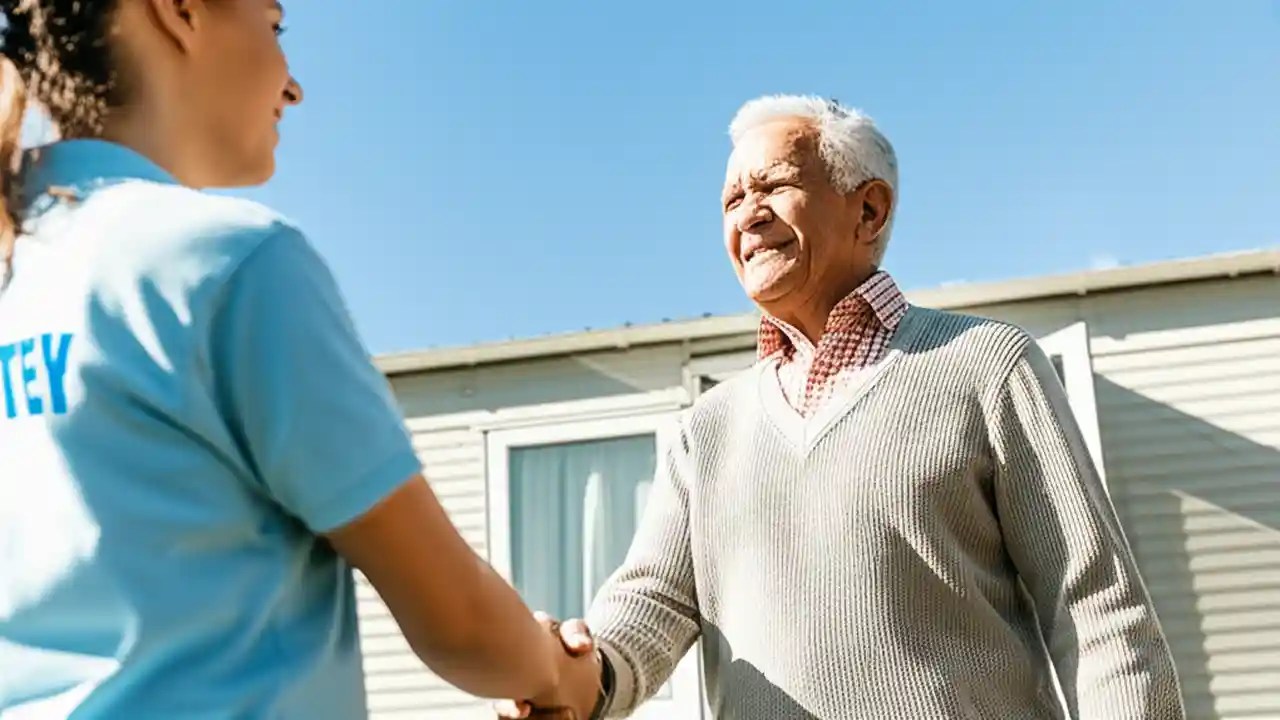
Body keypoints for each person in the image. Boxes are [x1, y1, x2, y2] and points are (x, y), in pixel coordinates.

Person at [500, 95, 1186, 719]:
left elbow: (1098, 613)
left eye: (773, 186)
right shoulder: (704, 432)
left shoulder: (987, 366)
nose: (748, 213)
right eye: (731, 199)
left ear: (869, 210)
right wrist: (573, 677)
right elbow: (648, 608)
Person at [0, 1, 596, 717]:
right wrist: (559, 676)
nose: (294, 85)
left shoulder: (21, 269)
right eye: (275, 26)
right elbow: (459, 621)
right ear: (178, 11)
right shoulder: (225, 263)